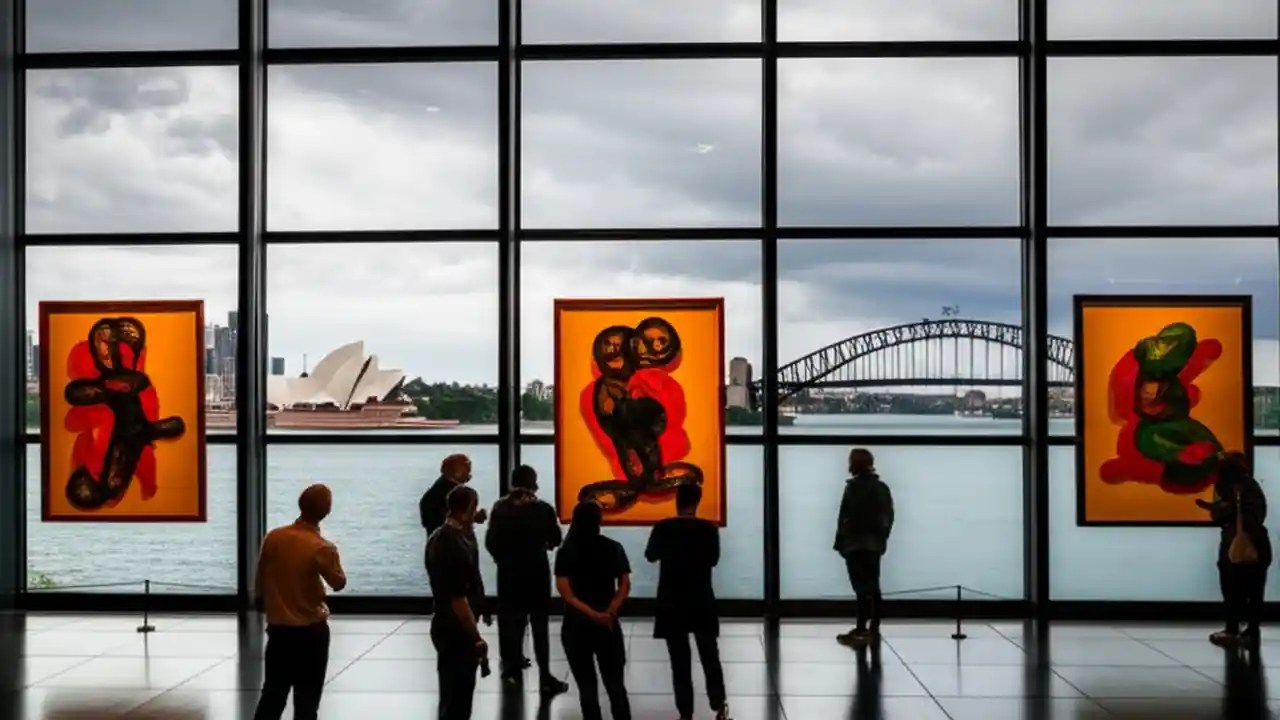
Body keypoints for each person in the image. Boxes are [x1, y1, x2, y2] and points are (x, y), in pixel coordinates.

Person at [252, 484, 347, 720]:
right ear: (327, 510)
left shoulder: (274, 536)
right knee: (307, 699)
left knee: (273, 694)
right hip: (310, 632)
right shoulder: (322, 547)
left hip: (279, 630)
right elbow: (338, 582)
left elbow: (262, 578)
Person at [645, 483, 730, 720]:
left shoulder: (663, 528)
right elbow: (713, 560)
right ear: (698, 500)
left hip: (672, 600)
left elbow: (650, 555)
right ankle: (719, 705)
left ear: (676, 500)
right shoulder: (709, 530)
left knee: (679, 661)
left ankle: (686, 712)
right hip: (701, 598)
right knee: (710, 656)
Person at [484, 464, 569, 695]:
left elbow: (490, 542)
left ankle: (512, 670)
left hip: (509, 574)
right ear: (533, 484)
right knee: (540, 626)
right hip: (536, 573)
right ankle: (545, 677)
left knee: (512, 622)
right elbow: (556, 539)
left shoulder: (499, 508)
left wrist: (502, 558)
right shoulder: (543, 509)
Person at [555, 501, 632, 720]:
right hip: (607, 626)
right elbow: (624, 584)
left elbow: (566, 593)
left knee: (587, 689)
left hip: (576, 626)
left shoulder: (566, 551)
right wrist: (610, 611)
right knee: (616, 686)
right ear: (599, 520)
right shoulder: (612, 547)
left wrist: (590, 613)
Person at [426, 484, 489, 720]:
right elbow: (459, 601)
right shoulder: (454, 546)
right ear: (466, 511)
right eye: (474, 509)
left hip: (444, 624)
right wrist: (476, 637)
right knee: (459, 700)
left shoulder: (440, 537)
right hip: (457, 630)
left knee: (450, 693)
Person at [1198, 452, 1272, 647]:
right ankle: (1251, 630)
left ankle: (1233, 629)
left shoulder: (1229, 488)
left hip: (1236, 544)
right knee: (1255, 591)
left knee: (1231, 588)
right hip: (1259, 544)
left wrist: (1217, 509)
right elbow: (1258, 513)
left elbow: (1226, 514)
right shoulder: (1251, 486)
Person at [833, 448, 894, 645]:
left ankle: (861, 627)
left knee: (860, 587)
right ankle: (873, 627)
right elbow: (887, 517)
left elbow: (844, 518)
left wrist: (840, 542)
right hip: (873, 544)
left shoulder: (852, 488)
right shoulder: (881, 488)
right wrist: (882, 539)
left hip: (855, 544)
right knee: (873, 584)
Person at [421, 453, 487, 537]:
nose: (469, 472)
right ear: (454, 470)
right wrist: (473, 517)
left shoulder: (447, 490)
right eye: (465, 467)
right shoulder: (440, 494)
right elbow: (452, 519)